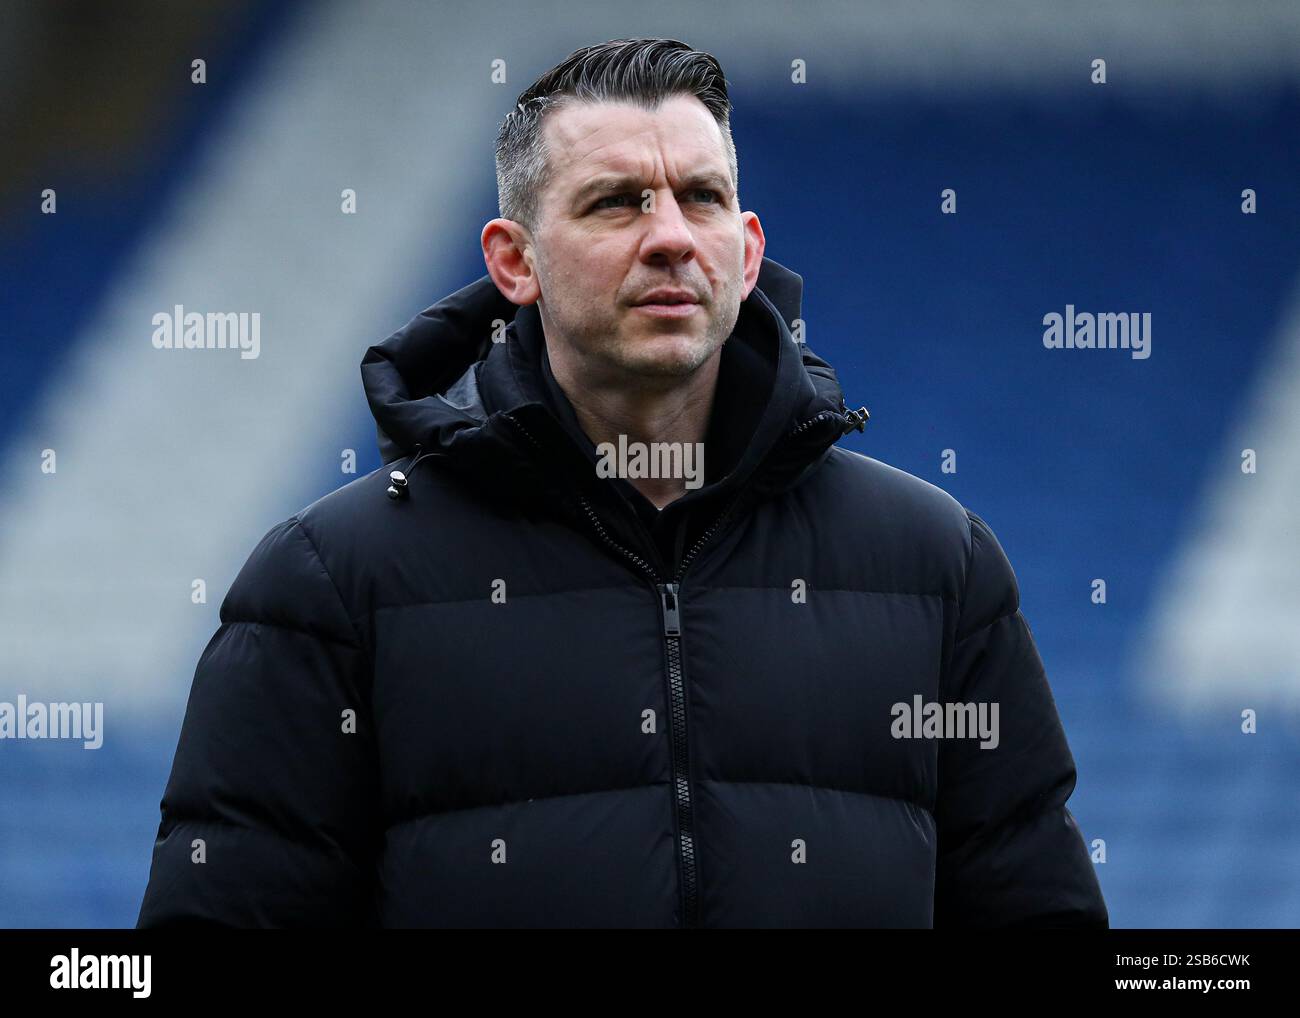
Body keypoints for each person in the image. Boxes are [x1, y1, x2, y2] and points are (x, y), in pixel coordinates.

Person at [136, 37, 1108, 928]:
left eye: (702, 197)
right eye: (617, 202)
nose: (672, 236)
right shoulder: (333, 583)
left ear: (749, 248)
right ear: (514, 261)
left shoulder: (933, 564)